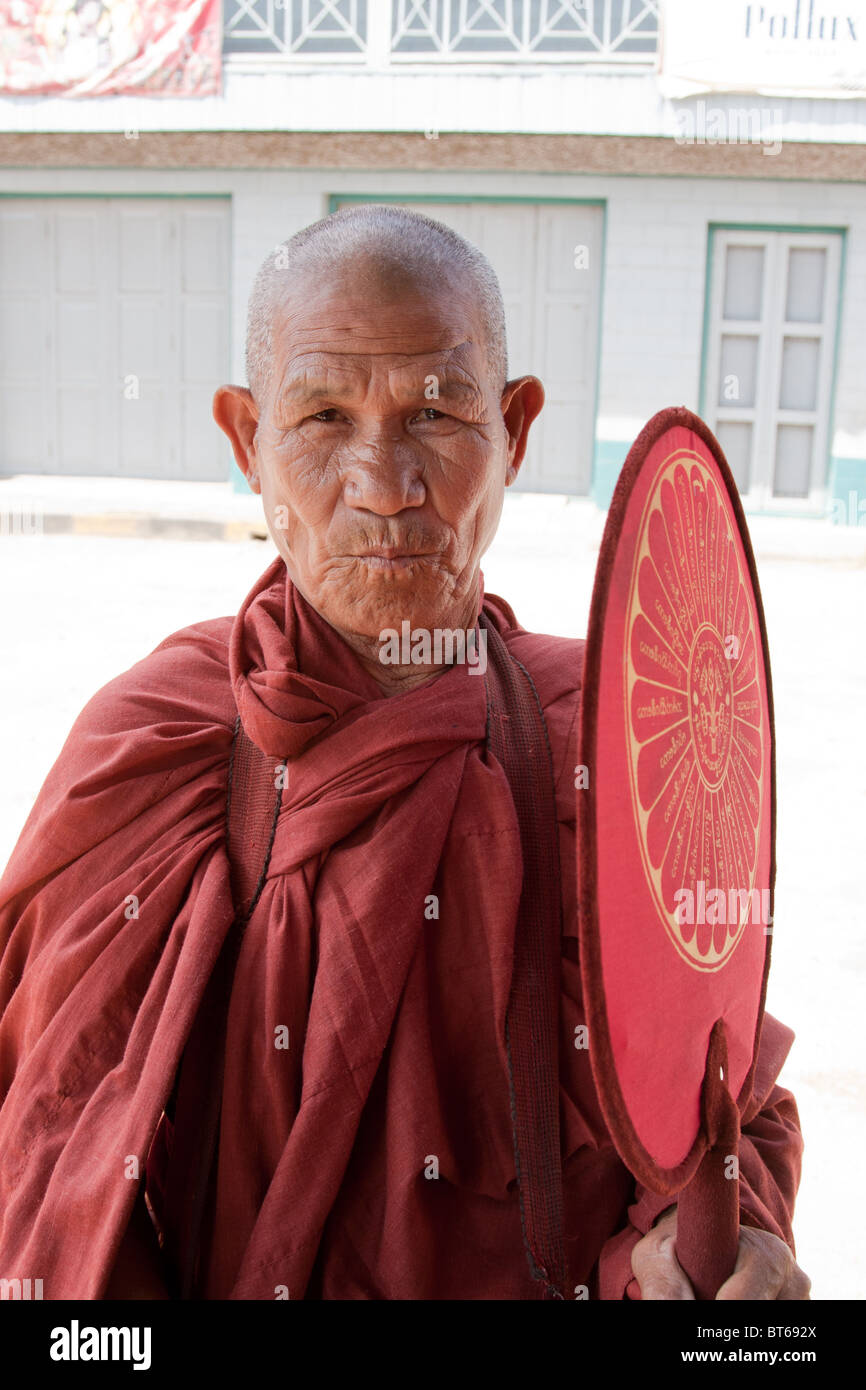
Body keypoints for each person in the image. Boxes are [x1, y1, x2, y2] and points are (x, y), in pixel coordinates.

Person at [0, 205, 808, 1301]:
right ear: (247, 441)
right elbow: (54, 1150)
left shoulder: (609, 741)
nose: (382, 482)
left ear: (514, 431)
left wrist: (691, 1252)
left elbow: (710, 1105)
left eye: (435, 411)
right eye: (323, 415)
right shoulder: (151, 745)